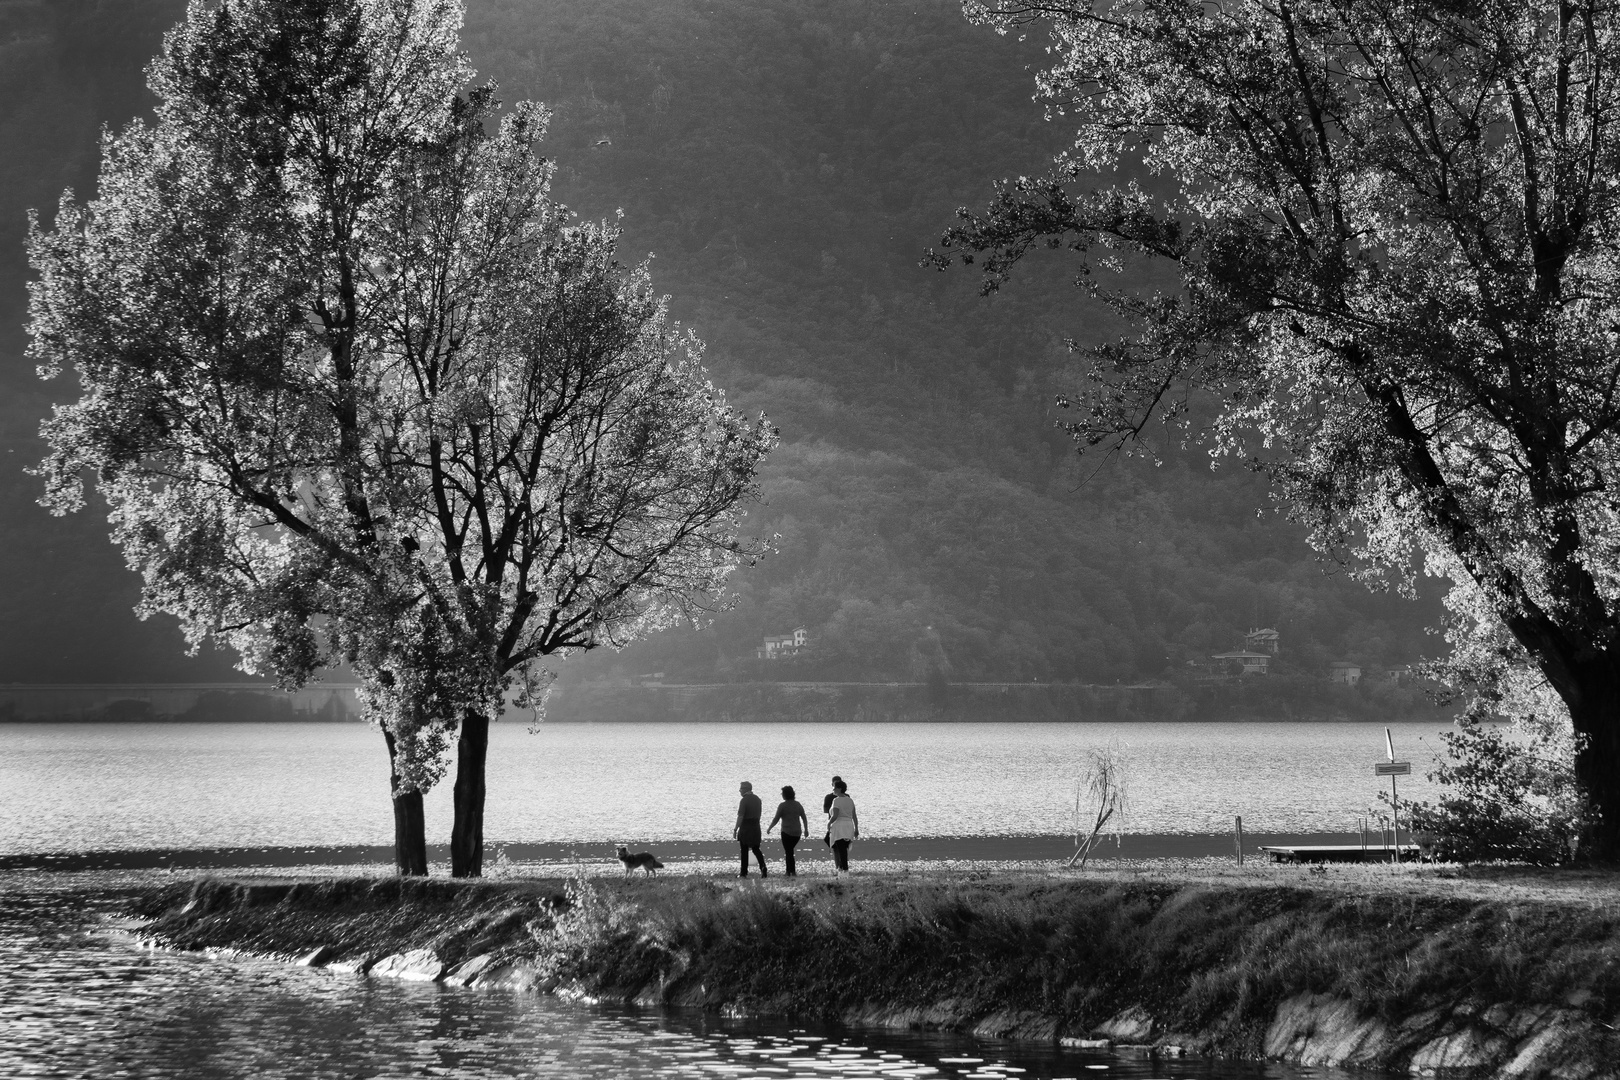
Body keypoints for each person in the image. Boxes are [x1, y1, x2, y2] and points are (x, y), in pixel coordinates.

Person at [767, 785, 809, 877]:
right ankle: (791, 871)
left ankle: (790, 872)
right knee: (789, 851)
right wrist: (806, 829)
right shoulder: (798, 804)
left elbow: (776, 819)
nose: (781, 794)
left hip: (786, 832)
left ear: (785, 795)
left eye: (782, 793)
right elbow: (804, 818)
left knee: (788, 851)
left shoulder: (782, 806)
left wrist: (769, 828)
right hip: (797, 833)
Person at [733, 781, 767, 878]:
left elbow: (740, 816)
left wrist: (735, 829)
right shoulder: (758, 799)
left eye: (741, 788)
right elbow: (759, 815)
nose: (739, 791)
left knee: (744, 850)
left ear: (745, 789)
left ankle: (743, 872)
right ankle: (763, 867)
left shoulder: (744, 800)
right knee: (756, 849)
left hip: (746, 827)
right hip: (756, 826)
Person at [827, 778, 858, 873]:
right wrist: (856, 828)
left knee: (840, 849)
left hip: (840, 826)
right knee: (844, 848)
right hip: (849, 825)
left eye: (834, 788)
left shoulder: (836, 800)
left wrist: (829, 823)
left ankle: (844, 869)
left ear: (839, 789)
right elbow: (854, 816)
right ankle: (842, 868)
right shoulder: (850, 800)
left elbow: (835, 815)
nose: (833, 790)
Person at [822, 775, 844, 847]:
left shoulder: (830, 797)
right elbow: (826, 810)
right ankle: (837, 854)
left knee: (836, 841)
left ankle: (837, 855)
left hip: (837, 822)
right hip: (835, 822)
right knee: (830, 840)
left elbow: (826, 810)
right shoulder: (829, 797)